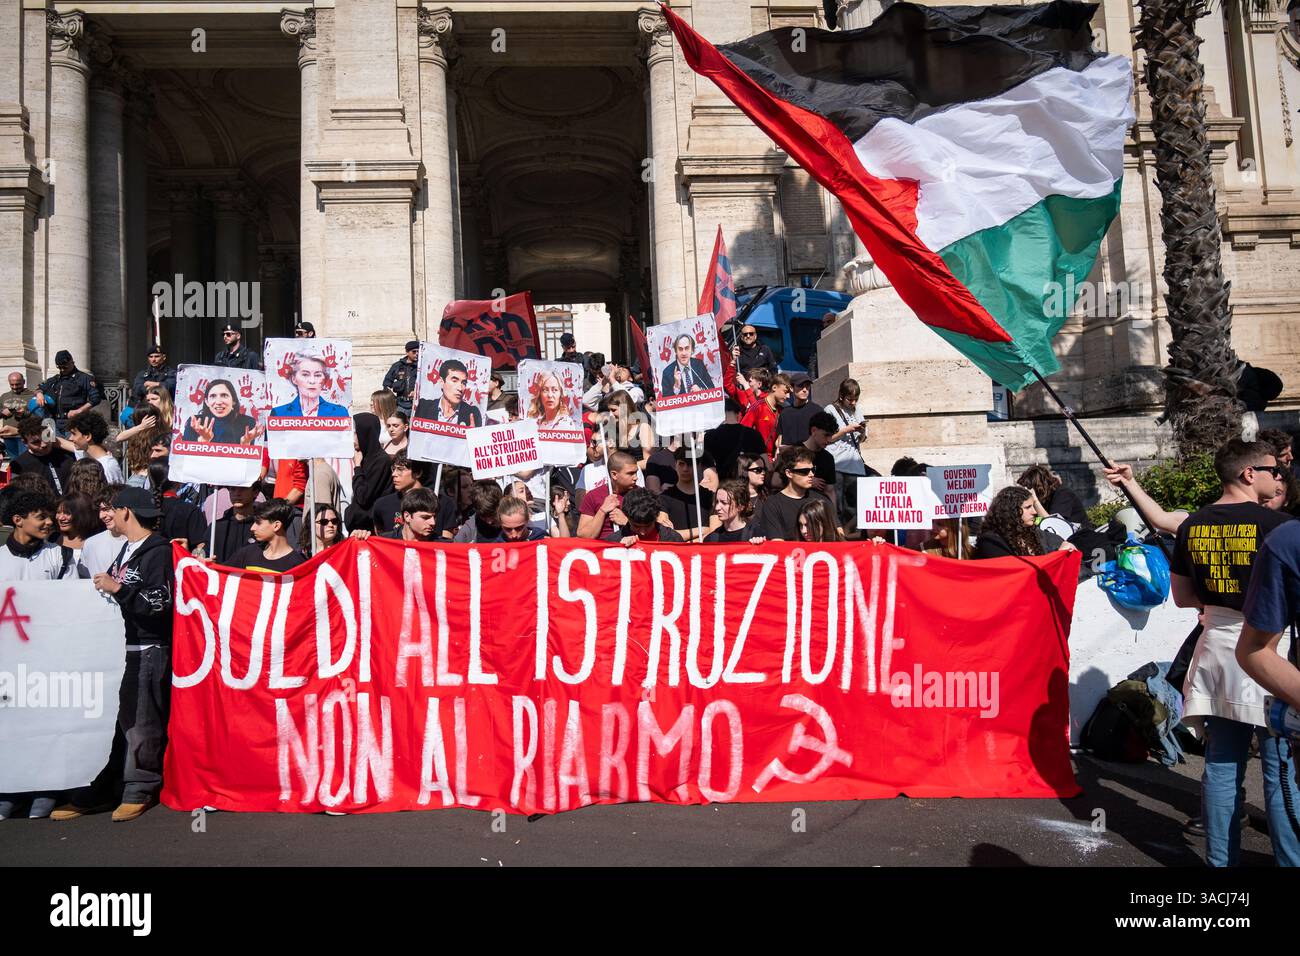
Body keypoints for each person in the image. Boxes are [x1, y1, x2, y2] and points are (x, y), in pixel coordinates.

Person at [1169, 438, 1297, 867]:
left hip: (1217, 651)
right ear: (1249, 474)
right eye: (1273, 471)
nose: (1278, 477)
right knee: (1280, 773)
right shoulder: (1277, 527)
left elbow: (1183, 598)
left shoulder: (1192, 524)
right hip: (1269, 652)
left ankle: (1221, 865)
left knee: (1222, 766)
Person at [54, 486, 174, 823]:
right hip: (122, 649)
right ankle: (108, 785)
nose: (104, 515)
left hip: (148, 649)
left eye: (109, 509)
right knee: (120, 723)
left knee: (141, 723)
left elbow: (159, 603)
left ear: (127, 512)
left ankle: (140, 787)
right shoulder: (127, 549)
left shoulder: (157, 551)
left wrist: (118, 588)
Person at [973, 486, 1075, 558]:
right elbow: (1016, 572)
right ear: (1011, 511)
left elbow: (1058, 542)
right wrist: (1056, 556)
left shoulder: (1034, 533)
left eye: (1033, 506)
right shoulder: (991, 541)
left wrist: (1065, 547)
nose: (1034, 512)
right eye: (1028, 507)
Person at [758, 447, 832, 541]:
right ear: (789, 473)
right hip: (790, 555)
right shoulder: (772, 504)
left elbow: (838, 533)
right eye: (805, 471)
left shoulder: (822, 500)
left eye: (813, 469)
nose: (811, 475)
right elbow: (777, 543)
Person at [825, 378, 869, 529]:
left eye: (856, 399)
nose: (853, 403)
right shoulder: (830, 410)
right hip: (837, 463)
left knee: (854, 507)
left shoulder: (857, 411)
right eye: (850, 400)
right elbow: (827, 438)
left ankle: (851, 535)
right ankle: (838, 533)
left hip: (855, 465)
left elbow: (862, 439)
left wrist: (862, 431)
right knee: (837, 506)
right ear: (842, 396)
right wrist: (845, 430)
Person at [724, 352, 787, 456]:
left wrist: (745, 386)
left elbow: (758, 409)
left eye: (750, 381)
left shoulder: (768, 398)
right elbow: (727, 385)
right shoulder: (744, 394)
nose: (747, 383)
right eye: (747, 381)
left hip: (764, 448)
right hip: (746, 442)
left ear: (759, 384)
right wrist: (733, 363)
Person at [225, 499, 307, 571]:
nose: (252, 528)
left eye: (258, 523)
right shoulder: (246, 554)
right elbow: (221, 574)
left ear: (276, 526)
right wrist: (212, 566)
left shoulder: (298, 565)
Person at [0, 490, 66, 580]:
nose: (49, 522)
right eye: (41, 517)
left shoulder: (61, 555)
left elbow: (72, 592)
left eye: (50, 517)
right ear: (18, 520)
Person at [33, 350, 102, 435]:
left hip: (73, 421)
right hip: (52, 421)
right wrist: (39, 394)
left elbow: (95, 398)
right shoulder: (55, 379)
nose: (62, 370)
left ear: (72, 362)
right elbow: (38, 388)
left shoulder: (85, 378)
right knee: (48, 444)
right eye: (59, 367)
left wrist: (79, 411)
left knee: (71, 446)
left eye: (65, 367)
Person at [577, 450, 640, 540]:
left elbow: (650, 532)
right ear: (614, 474)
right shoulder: (593, 496)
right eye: (630, 473)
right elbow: (584, 535)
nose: (636, 478)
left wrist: (627, 522)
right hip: (603, 549)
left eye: (636, 472)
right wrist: (602, 510)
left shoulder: (642, 495)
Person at [148, 460, 209, 552]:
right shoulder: (190, 510)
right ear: (176, 480)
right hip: (179, 564)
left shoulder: (143, 508)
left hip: (148, 564)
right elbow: (200, 548)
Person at [660, 445, 716, 541]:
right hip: (676, 553)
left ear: (698, 466)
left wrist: (686, 542)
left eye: (690, 464)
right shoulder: (664, 498)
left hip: (704, 552)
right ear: (675, 465)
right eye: (681, 464)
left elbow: (714, 534)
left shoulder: (710, 497)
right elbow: (665, 534)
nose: (685, 469)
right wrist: (702, 530)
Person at [704, 398, 766, 482]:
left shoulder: (709, 436)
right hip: (745, 485)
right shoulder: (754, 434)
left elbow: (705, 465)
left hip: (722, 484)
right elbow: (766, 464)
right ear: (738, 414)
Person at [182, 378, 259, 445]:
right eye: (213, 396)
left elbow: (248, 461)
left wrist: (245, 444)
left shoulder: (248, 422)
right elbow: (185, 458)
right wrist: (203, 441)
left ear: (234, 401)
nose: (218, 402)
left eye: (224, 395)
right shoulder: (195, 423)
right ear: (206, 402)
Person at [272, 353, 348, 419]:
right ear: (294, 379)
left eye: (318, 375)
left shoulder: (340, 413)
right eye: (305, 374)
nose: (312, 381)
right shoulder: (279, 414)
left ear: (324, 379)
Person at [11, 414, 74, 494]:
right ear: (25, 443)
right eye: (36, 442)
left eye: (46, 438)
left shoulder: (66, 453)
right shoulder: (19, 465)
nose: (43, 445)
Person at [1018, 464, 1091, 529]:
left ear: (1037, 488)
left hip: (1079, 539)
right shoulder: (1045, 498)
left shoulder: (1063, 495)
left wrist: (1034, 500)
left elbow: (1053, 526)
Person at [414, 358, 482, 427]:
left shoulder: (472, 413)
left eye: (463, 383)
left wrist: (472, 436)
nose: (460, 388)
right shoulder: (424, 408)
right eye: (454, 381)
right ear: (441, 381)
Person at [63, 411, 124, 484]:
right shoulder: (84, 454)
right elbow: (60, 443)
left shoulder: (107, 467)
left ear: (88, 436)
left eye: (74, 434)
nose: (70, 438)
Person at [608, 487, 684, 545]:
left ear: (656, 518)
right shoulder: (613, 542)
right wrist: (618, 549)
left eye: (648, 526)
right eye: (636, 526)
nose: (642, 532)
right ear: (627, 517)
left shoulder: (673, 539)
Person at [82, 484, 126, 575]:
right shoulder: (91, 544)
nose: (101, 516)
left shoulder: (139, 543)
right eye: (100, 510)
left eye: (107, 509)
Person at [54, 492, 101, 578]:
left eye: (67, 513)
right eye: (58, 512)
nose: (60, 518)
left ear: (82, 514)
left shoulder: (98, 541)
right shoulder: (53, 538)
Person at [803, 411, 839, 510]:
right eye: (826, 435)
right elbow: (776, 481)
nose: (829, 440)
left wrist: (834, 518)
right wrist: (807, 481)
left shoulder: (828, 458)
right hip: (794, 507)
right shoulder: (794, 451)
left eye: (831, 436)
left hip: (818, 512)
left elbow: (830, 491)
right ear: (814, 430)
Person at [478, 494, 547, 542]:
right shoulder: (497, 547)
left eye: (519, 528)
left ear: (527, 520)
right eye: (508, 529)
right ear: (500, 523)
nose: (514, 535)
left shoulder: (541, 539)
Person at [777, 372, 819, 449]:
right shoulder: (785, 413)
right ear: (791, 388)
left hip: (811, 458)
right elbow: (780, 441)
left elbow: (821, 439)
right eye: (800, 386)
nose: (805, 390)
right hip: (789, 458)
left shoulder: (817, 411)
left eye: (807, 386)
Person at [1, 372, 35, 460]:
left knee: (26, 461)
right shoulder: (4, 396)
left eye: (18, 384)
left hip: (24, 436)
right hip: (8, 436)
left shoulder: (32, 396)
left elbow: (39, 416)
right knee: (14, 462)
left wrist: (24, 414)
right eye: (12, 384)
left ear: (24, 382)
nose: (15, 387)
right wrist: (2, 412)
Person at [383, 341, 420, 416]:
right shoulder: (397, 366)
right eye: (414, 352)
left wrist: (417, 393)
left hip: (417, 404)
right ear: (407, 352)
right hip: (400, 404)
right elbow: (386, 384)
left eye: (419, 352)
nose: (417, 354)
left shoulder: (422, 366)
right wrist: (392, 398)